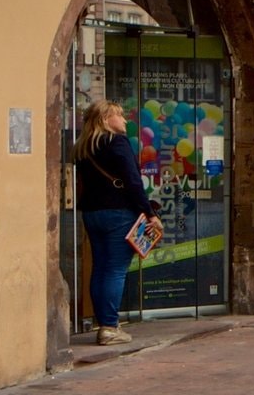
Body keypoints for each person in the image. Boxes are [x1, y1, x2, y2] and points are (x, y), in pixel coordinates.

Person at [71, 99, 161, 344]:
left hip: (92, 213)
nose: (124, 120)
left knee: (100, 267)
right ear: (104, 120)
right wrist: (150, 214)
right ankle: (110, 327)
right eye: (119, 115)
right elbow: (133, 181)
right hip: (119, 213)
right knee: (115, 269)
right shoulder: (117, 142)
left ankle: (103, 323)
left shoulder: (84, 147)